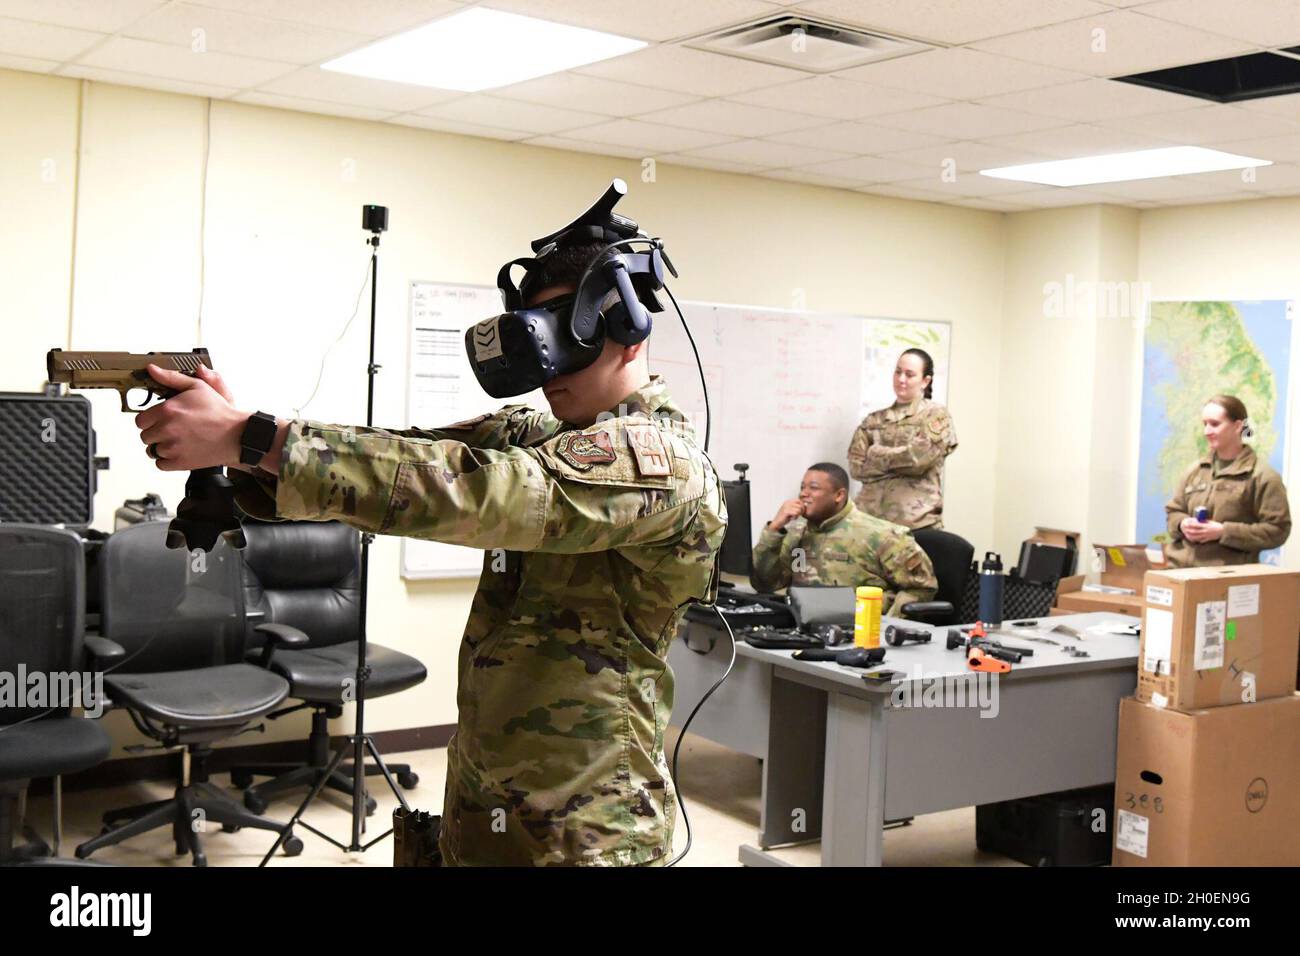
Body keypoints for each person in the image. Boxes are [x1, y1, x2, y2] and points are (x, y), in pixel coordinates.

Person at [131, 233, 726, 867]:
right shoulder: (541, 434)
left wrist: (250, 439)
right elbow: (402, 458)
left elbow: (477, 495)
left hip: (586, 825)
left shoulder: (662, 467)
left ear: (630, 334)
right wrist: (240, 430)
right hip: (487, 795)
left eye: (568, 343)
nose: (550, 370)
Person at [750, 462, 937, 617]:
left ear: (839, 495)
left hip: (861, 634)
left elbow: (921, 589)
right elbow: (765, 583)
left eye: (813, 488)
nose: (803, 494)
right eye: (802, 488)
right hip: (804, 626)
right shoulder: (797, 534)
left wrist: (886, 627)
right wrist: (774, 529)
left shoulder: (882, 535)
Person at [1165, 394, 1291, 567]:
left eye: (1215, 424)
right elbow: (1173, 512)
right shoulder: (1194, 471)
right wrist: (1182, 524)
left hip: (1226, 580)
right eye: (1205, 424)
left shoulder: (1262, 476)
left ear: (1238, 426)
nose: (1207, 431)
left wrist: (1224, 532)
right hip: (1178, 572)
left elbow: (1278, 530)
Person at [848, 348, 957, 529]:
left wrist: (875, 452)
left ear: (925, 381)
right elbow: (856, 468)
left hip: (917, 526)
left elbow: (917, 461)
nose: (901, 379)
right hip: (870, 524)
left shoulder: (936, 416)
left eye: (909, 374)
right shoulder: (873, 420)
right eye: (898, 372)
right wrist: (901, 460)